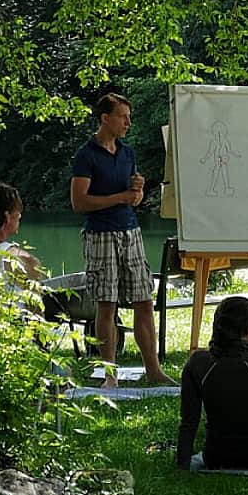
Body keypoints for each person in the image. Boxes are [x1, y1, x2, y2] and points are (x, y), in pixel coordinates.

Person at [71, 92, 174, 387]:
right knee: (107, 305)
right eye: (122, 116)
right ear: (106, 118)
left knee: (143, 301)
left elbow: (134, 201)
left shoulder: (127, 153)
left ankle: (153, 370)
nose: (128, 122)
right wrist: (121, 197)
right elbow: (79, 202)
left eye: (129, 116)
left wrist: (137, 191)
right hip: (100, 235)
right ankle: (110, 377)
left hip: (131, 233)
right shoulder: (86, 155)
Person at [177, 296, 248, 472]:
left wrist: (182, 466)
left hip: (216, 457)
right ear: (246, 331)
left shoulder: (197, 364)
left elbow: (188, 421)